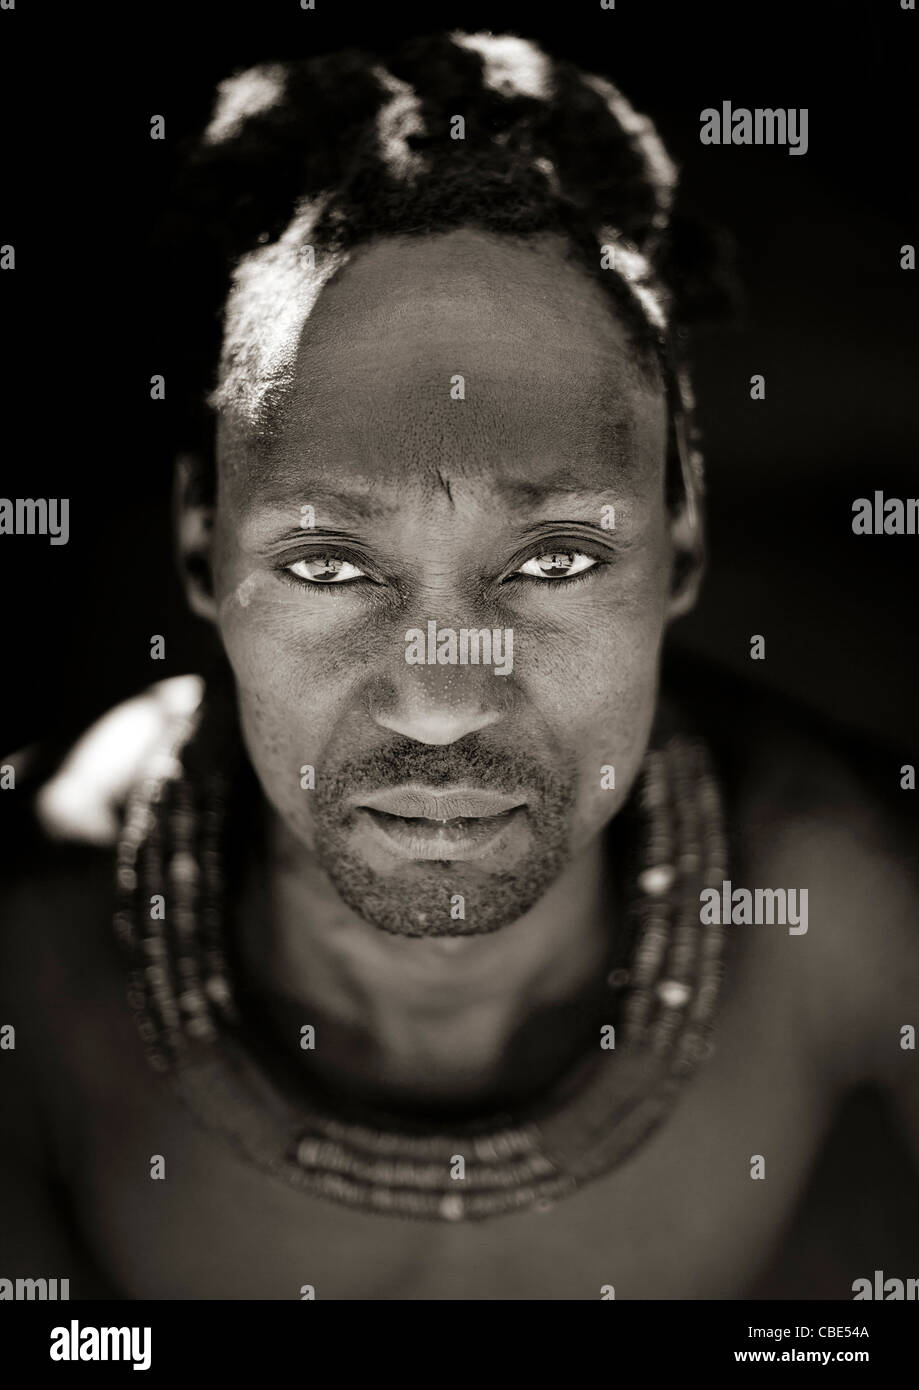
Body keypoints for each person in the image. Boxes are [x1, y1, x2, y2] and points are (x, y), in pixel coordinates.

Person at [2, 31, 917, 1301]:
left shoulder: (852, 904)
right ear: (205, 550)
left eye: (550, 561)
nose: (438, 699)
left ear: (682, 534)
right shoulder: (34, 938)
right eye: (329, 565)